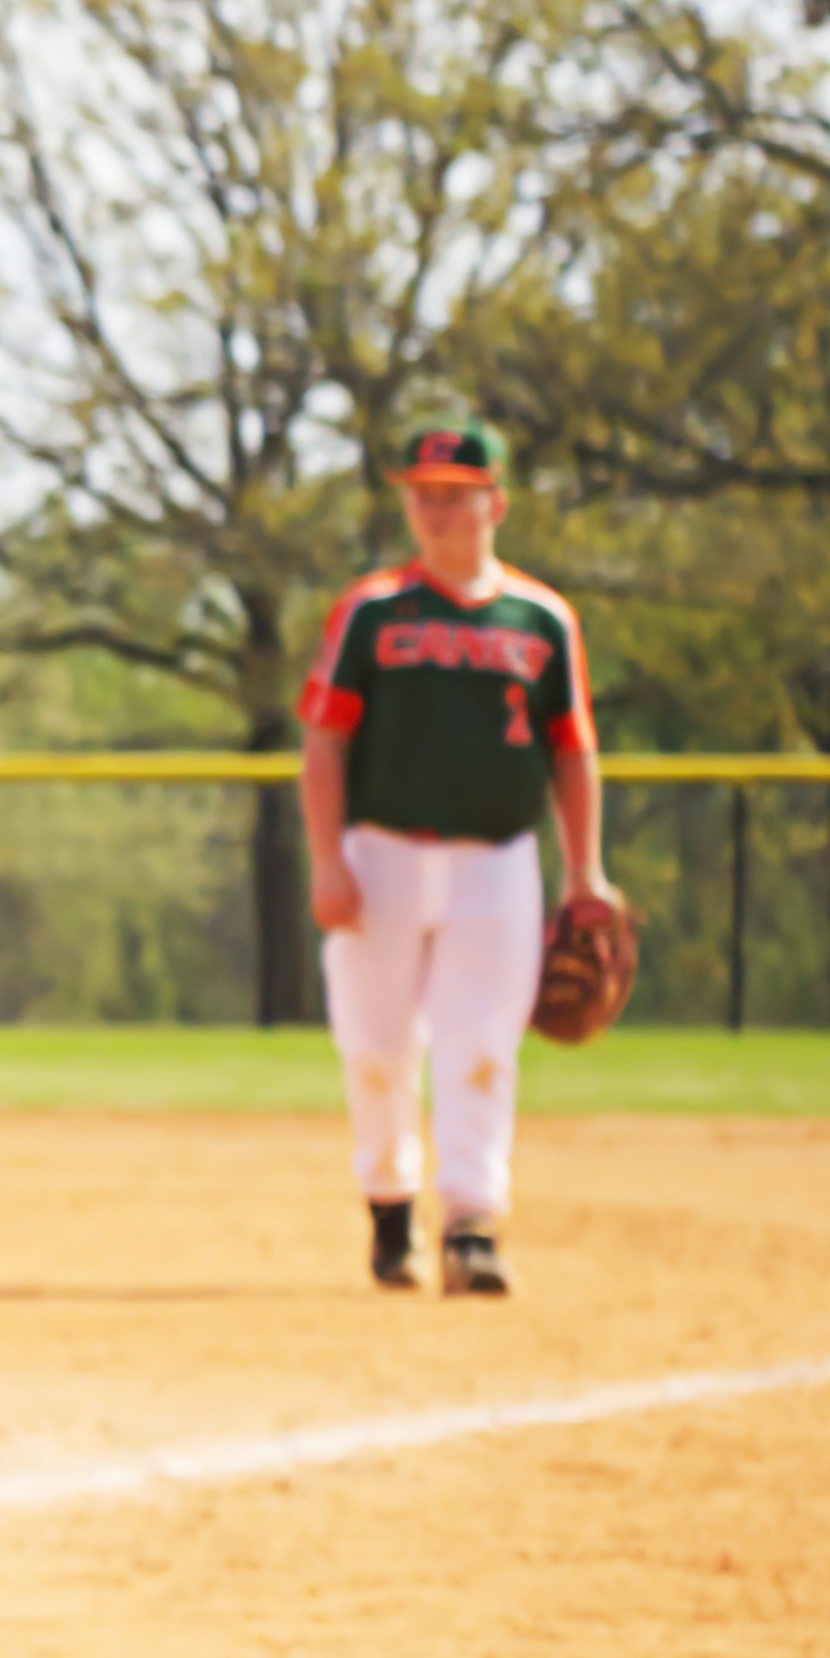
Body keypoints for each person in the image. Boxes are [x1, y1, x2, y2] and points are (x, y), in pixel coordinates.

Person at [298, 425, 611, 1297]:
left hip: (495, 861)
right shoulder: (371, 611)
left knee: (480, 1046)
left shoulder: (540, 619)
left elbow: (571, 750)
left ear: (494, 503)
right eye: (421, 493)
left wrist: (584, 872)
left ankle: (471, 1223)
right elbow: (322, 741)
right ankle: (389, 1209)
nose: (433, 509)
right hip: (379, 856)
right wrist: (325, 861)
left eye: (452, 493)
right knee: (374, 1048)